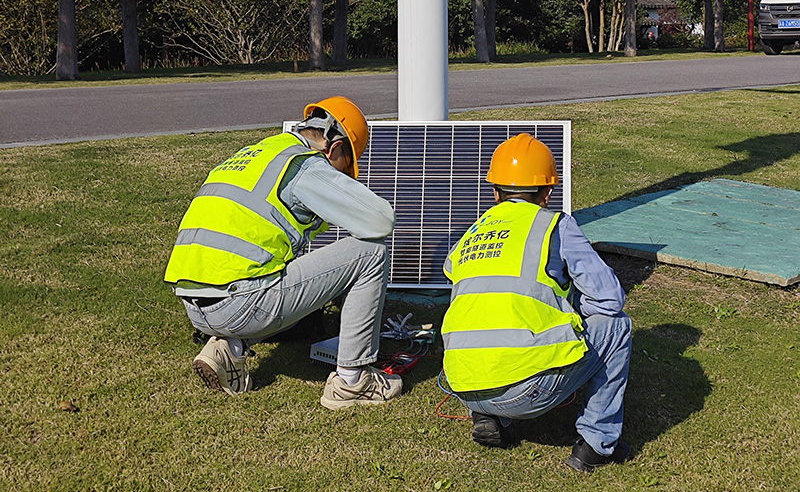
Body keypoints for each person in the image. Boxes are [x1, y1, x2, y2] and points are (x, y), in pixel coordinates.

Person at [164, 96, 402, 409]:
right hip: (241, 304)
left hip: (195, 307)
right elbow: (380, 221)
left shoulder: (257, 154)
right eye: (347, 166)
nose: (345, 177)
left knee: (279, 265)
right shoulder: (305, 165)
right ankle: (352, 381)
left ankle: (228, 348)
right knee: (370, 253)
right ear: (335, 148)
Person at [441, 133, 633, 472]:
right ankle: (597, 445)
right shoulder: (554, 225)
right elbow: (610, 299)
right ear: (547, 193)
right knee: (617, 326)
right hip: (525, 391)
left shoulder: (473, 232)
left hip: (463, 384)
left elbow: (454, 274)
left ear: (495, 193)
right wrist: (574, 315)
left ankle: (487, 414)